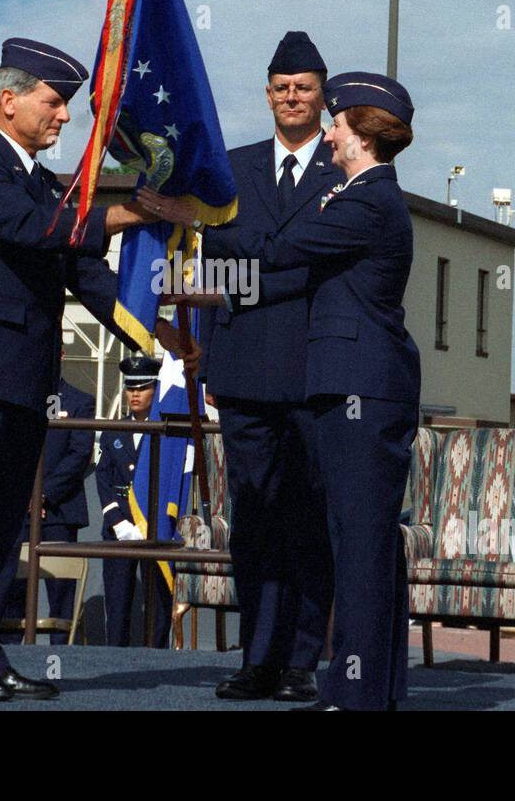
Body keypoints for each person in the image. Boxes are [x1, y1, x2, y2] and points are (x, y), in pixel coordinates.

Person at [0, 36, 198, 701]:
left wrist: (153, 331)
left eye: (69, 104)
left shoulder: (44, 187)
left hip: (22, 379)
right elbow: (38, 230)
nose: (65, 117)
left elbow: (84, 273)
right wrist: (139, 210)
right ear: (7, 101)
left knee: (0, 525)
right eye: (54, 102)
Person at [159, 70, 421, 711]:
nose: (326, 128)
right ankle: (359, 685)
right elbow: (270, 266)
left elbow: (279, 251)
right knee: (344, 538)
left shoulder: (361, 200)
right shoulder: (350, 193)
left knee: (350, 541)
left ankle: (348, 684)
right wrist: (211, 291)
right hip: (310, 377)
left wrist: (191, 220)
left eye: (335, 119)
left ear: (358, 134)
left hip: (349, 384)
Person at [203, 31, 336, 702]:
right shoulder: (231, 170)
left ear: (323, 96)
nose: (292, 98)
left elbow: (327, 267)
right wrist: (277, 261)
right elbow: (216, 267)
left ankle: (301, 662)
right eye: (282, 88)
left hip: (315, 375)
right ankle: (257, 659)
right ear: (268, 95)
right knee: (252, 524)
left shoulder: (344, 172)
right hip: (245, 370)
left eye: (304, 88)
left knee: (309, 521)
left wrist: (255, 260)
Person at [1, 365, 96, 642]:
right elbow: (7, 449)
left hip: (59, 512)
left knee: (61, 596)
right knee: (12, 592)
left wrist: (44, 494)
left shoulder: (80, 401)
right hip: (17, 510)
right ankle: (9, 659)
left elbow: (79, 455)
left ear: (62, 355)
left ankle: (58, 661)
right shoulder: (16, 397)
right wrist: (26, 493)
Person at [96, 356, 172, 647]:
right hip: (119, 527)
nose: (135, 394)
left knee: (158, 607)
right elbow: (102, 477)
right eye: (130, 389)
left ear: (155, 389)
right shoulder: (115, 430)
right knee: (117, 602)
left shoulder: (167, 431)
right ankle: (114, 659)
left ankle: (156, 660)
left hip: (154, 525)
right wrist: (116, 519)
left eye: (142, 388)